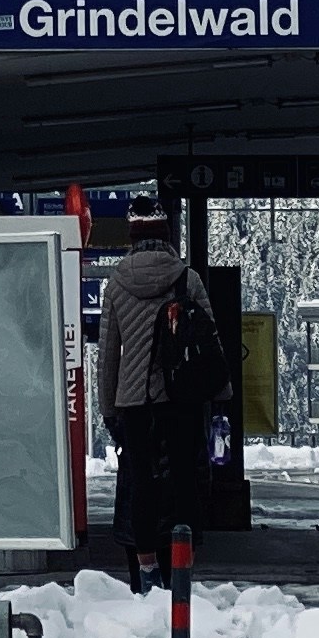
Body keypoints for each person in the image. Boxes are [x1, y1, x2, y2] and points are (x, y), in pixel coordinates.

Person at [94, 208, 197, 591]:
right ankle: (181, 567)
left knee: (141, 484)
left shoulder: (117, 284)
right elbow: (210, 343)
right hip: (180, 400)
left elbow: (108, 354)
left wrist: (108, 407)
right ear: (167, 236)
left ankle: (147, 568)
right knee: (182, 483)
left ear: (133, 238)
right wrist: (219, 398)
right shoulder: (187, 279)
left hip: (133, 402)